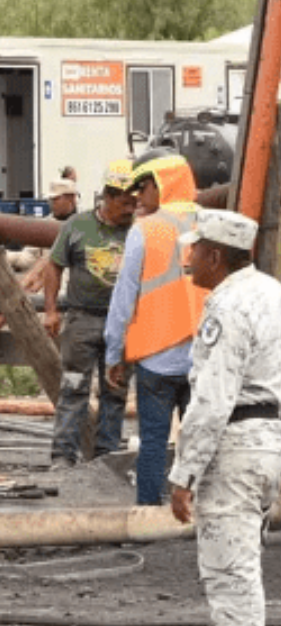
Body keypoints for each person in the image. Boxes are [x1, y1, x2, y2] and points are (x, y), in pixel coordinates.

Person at [167, 209, 281, 626]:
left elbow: (213, 398)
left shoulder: (228, 307)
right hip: (269, 437)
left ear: (215, 255)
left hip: (235, 442)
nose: (189, 258)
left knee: (229, 562)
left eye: (195, 250)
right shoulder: (272, 293)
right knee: (243, 551)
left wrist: (184, 472)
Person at [104, 153, 205, 505]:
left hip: (156, 358)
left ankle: (149, 513)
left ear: (163, 184)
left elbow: (124, 297)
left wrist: (114, 354)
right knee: (202, 444)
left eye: (143, 186)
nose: (137, 196)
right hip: (203, 357)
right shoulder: (210, 224)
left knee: (153, 443)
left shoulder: (145, 230)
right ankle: (202, 512)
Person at [43, 159, 136, 466]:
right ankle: (63, 455)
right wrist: (51, 310)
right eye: (125, 202)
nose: (130, 209)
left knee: (115, 391)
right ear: (108, 197)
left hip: (122, 323)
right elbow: (54, 266)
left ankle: (106, 457)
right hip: (82, 319)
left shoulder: (138, 231)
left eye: (134, 202)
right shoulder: (77, 226)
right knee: (73, 387)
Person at [6, 178, 80, 271]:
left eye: (56, 199)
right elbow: (27, 257)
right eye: (51, 200)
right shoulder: (44, 225)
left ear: (71, 199)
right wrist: (5, 257)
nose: (52, 204)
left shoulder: (85, 225)